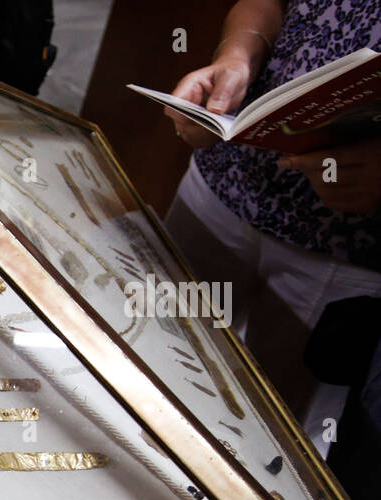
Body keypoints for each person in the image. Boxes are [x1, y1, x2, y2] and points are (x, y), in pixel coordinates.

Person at [162, 0, 381, 455]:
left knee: (267, 444)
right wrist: (236, 56)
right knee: (148, 359)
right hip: (224, 184)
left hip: (344, 253)